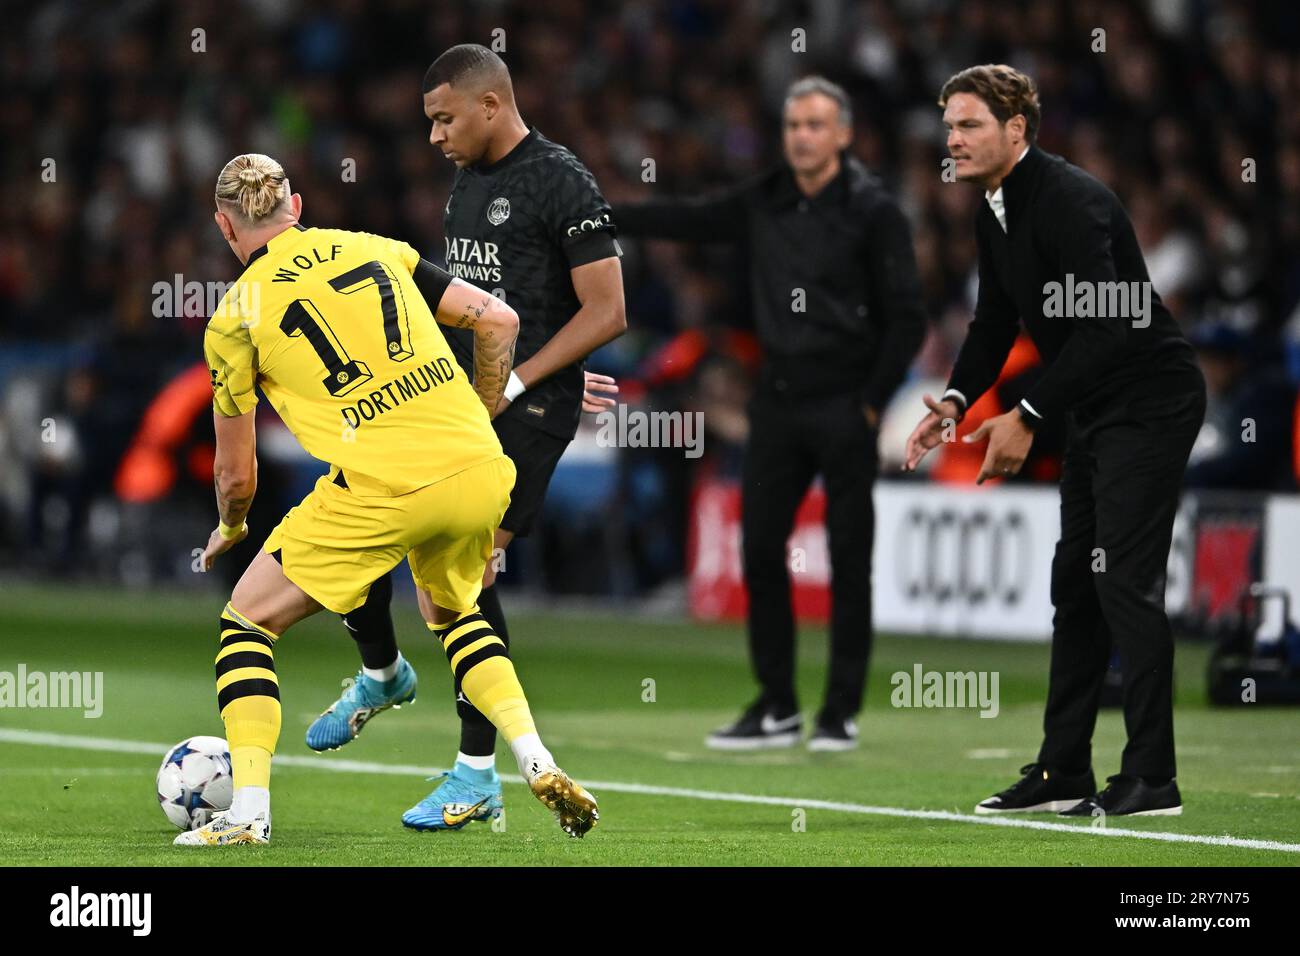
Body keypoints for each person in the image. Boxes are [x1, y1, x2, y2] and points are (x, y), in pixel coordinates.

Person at [177, 152, 597, 846]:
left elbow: (236, 475)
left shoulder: (234, 318)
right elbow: (497, 320)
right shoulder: (377, 250)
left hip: (385, 484)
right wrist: (480, 417)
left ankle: (249, 812)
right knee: (455, 613)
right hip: (476, 464)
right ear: (299, 207)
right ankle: (535, 757)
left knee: (246, 623)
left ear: (226, 227)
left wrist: (232, 524)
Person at [304, 44, 626, 831]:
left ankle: (475, 770)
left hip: (524, 411)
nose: (434, 137)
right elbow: (491, 306)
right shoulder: (466, 186)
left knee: (461, 581)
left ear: (491, 104)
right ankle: (384, 674)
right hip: (467, 400)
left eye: (445, 118)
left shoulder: (560, 180)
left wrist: (531, 379)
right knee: (386, 530)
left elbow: (608, 310)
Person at [905, 65, 1206, 817]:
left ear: (1017, 129)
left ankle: (1153, 778)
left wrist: (1029, 413)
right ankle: (1064, 769)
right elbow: (994, 323)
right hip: (1094, 409)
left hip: (1151, 401)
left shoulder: (1073, 200)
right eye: (949, 125)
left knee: (1123, 584)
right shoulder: (994, 210)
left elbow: (1110, 323)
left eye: (970, 124)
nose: (954, 138)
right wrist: (955, 399)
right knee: (1077, 585)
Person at [616, 76, 927, 751]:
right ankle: (777, 704)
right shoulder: (766, 199)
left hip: (846, 401)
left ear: (843, 135)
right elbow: (692, 217)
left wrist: (872, 400)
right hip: (779, 402)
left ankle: (839, 711)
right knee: (761, 549)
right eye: (792, 126)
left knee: (850, 558)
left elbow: (908, 318)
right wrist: (600, 214)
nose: (802, 137)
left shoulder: (875, 212)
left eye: (815, 125)